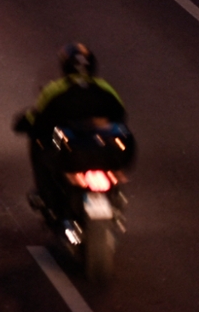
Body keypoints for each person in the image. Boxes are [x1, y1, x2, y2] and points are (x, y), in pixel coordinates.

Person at [17, 43, 127, 212]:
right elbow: (120, 115)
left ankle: (44, 193)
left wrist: (24, 123)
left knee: (38, 144)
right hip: (102, 151)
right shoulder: (106, 88)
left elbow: (38, 117)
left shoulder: (55, 89)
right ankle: (115, 194)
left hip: (74, 153)